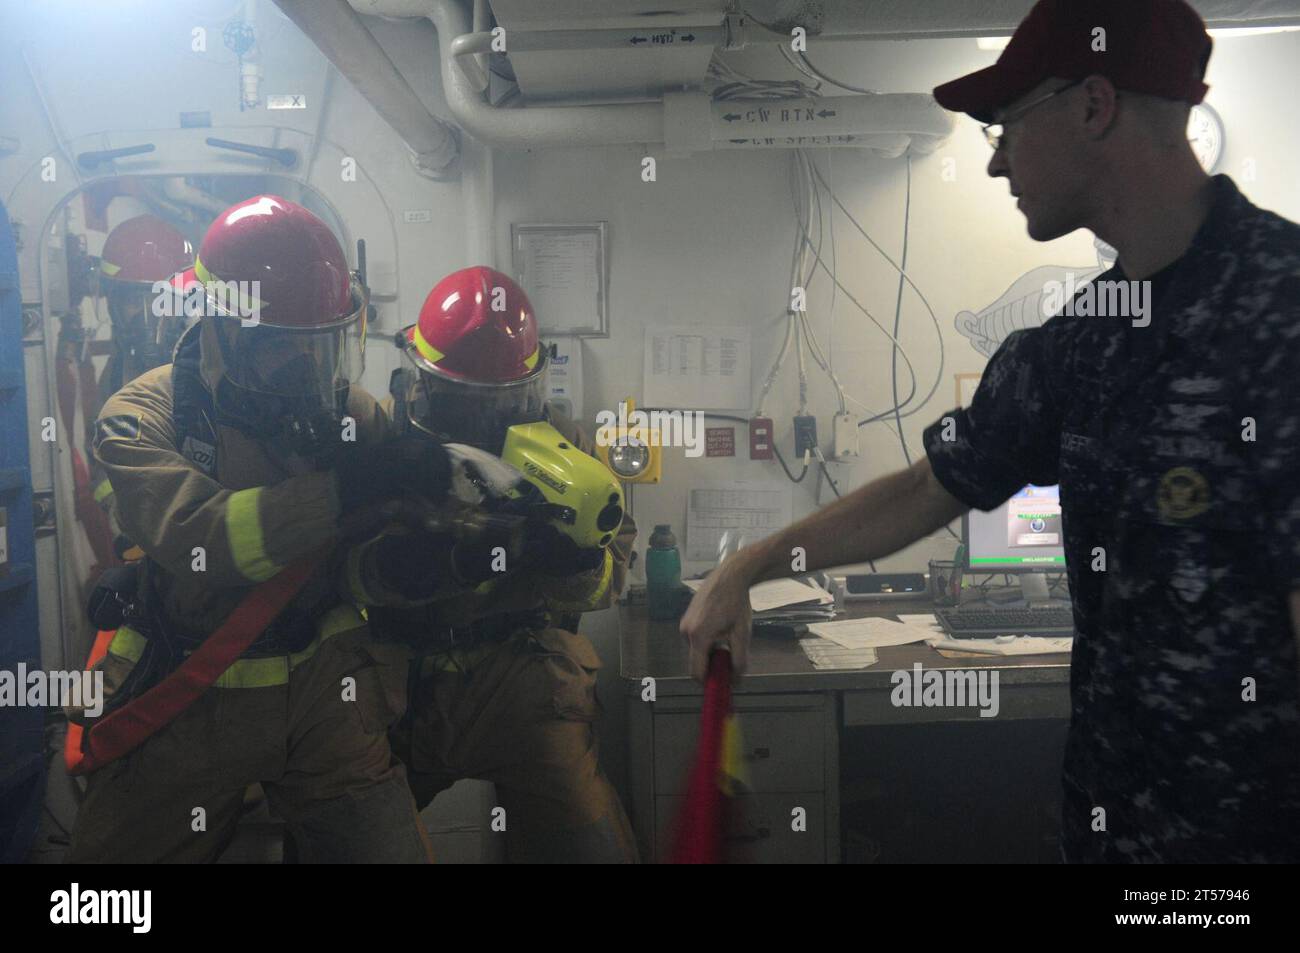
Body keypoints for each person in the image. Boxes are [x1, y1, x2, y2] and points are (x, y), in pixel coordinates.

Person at [680, 0, 1300, 863]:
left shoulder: (1281, 316)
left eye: (1004, 125)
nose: (996, 160)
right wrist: (745, 567)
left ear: (1093, 105)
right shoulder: (1082, 342)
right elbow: (936, 485)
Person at [67, 195, 451, 863]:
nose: (307, 372)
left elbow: (364, 555)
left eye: (323, 346)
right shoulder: (139, 415)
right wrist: (341, 489)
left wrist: (415, 564)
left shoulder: (352, 410)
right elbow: (201, 539)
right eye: (285, 348)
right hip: (188, 686)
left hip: (327, 696)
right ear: (221, 330)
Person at [348, 266, 640, 862]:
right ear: (423, 383)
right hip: (401, 683)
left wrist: (573, 564)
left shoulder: (557, 442)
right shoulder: (381, 441)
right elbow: (347, 570)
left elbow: (613, 569)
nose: (488, 421)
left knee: (597, 851)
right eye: (466, 402)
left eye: (505, 402)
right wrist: (455, 557)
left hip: (524, 678)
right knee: (354, 846)